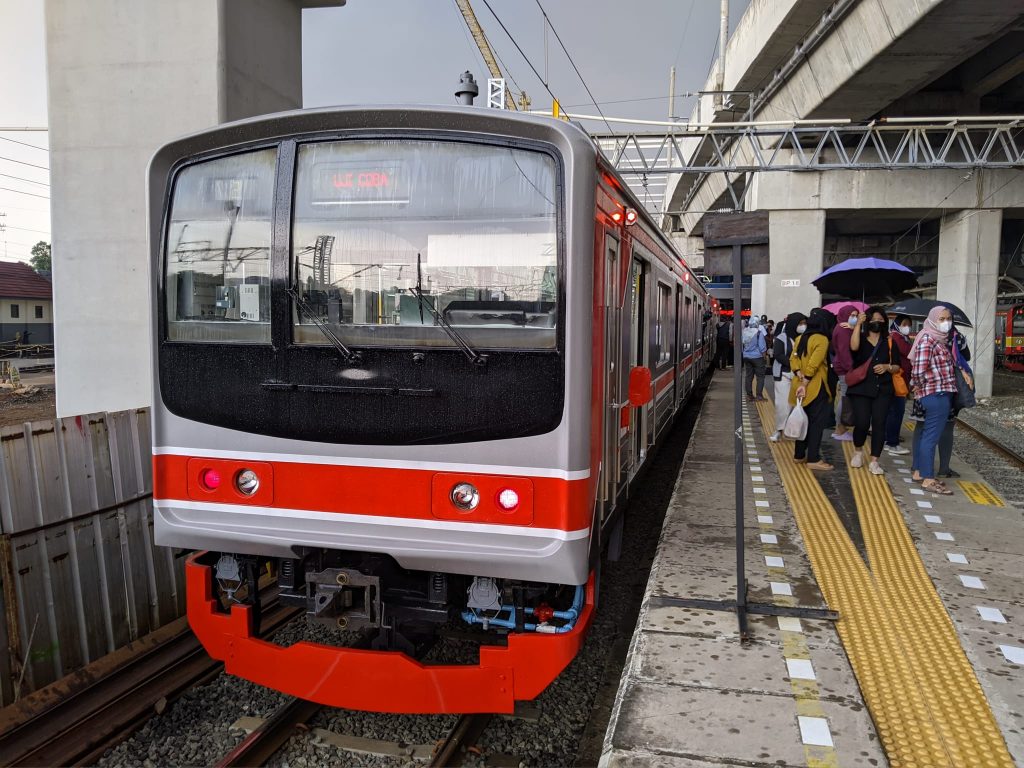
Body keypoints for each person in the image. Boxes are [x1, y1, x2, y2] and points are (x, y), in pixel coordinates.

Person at [909, 306, 963, 495]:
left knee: (927, 436)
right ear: (932, 320)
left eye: (948, 318)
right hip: (936, 394)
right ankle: (928, 480)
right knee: (931, 438)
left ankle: (919, 473)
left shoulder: (940, 340)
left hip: (939, 394)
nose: (946, 322)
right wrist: (917, 385)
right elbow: (918, 369)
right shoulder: (928, 340)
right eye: (941, 318)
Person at [847, 307, 901, 475]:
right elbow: (853, 347)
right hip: (861, 388)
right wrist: (858, 325)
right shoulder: (861, 339)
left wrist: (887, 367)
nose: (876, 322)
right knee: (862, 422)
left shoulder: (890, 341)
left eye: (880, 319)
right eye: (873, 319)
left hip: (883, 389)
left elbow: (897, 366)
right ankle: (857, 451)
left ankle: (874, 461)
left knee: (879, 424)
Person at [790, 308, 835, 470]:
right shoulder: (822, 339)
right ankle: (813, 458)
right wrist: (806, 381)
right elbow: (815, 363)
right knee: (816, 423)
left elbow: (793, 359)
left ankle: (799, 455)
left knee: (803, 420)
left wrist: (798, 374)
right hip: (816, 387)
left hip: (799, 384)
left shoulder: (800, 338)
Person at [770, 313, 806, 442]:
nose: (803, 326)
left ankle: (793, 431)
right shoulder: (782, 338)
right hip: (783, 374)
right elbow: (778, 355)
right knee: (782, 405)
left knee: (796, 404)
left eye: (804, 323)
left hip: (800, 376)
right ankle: (779, 430)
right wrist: (795, 365)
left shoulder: (805, 338)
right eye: (800, 323)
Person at [883, 315, 913, 456]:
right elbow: (908, 353)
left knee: (894, 411)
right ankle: (892, 442)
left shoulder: (901, 338)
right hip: (897, 379)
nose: (907, 327)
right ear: (897, 325)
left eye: (909, 324)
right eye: (904, 324)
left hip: (901, 378)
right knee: (896, 411)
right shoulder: (896, 337)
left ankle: (890, 439)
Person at [830, 304, 860, 441]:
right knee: (846, 398)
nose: (854, 318)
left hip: (843, 367)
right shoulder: (842, 330)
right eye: (851, 315)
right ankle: (840, 430)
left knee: (845, 397)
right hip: (845, 368)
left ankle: (840, 428)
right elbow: (844, 352)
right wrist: (851, 369)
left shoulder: (845, 328)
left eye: (856, 316)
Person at [741, 316, 768, 400]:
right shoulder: (759, 333)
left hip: (746, 357)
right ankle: (759, 396)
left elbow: (741, 345)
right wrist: (764, 357)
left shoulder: (744, 332)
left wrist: (744, 353)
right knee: (760, 377)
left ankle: (749, 395)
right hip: (757, 357)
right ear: (757, 323)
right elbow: (762, 347)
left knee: (749, 376)